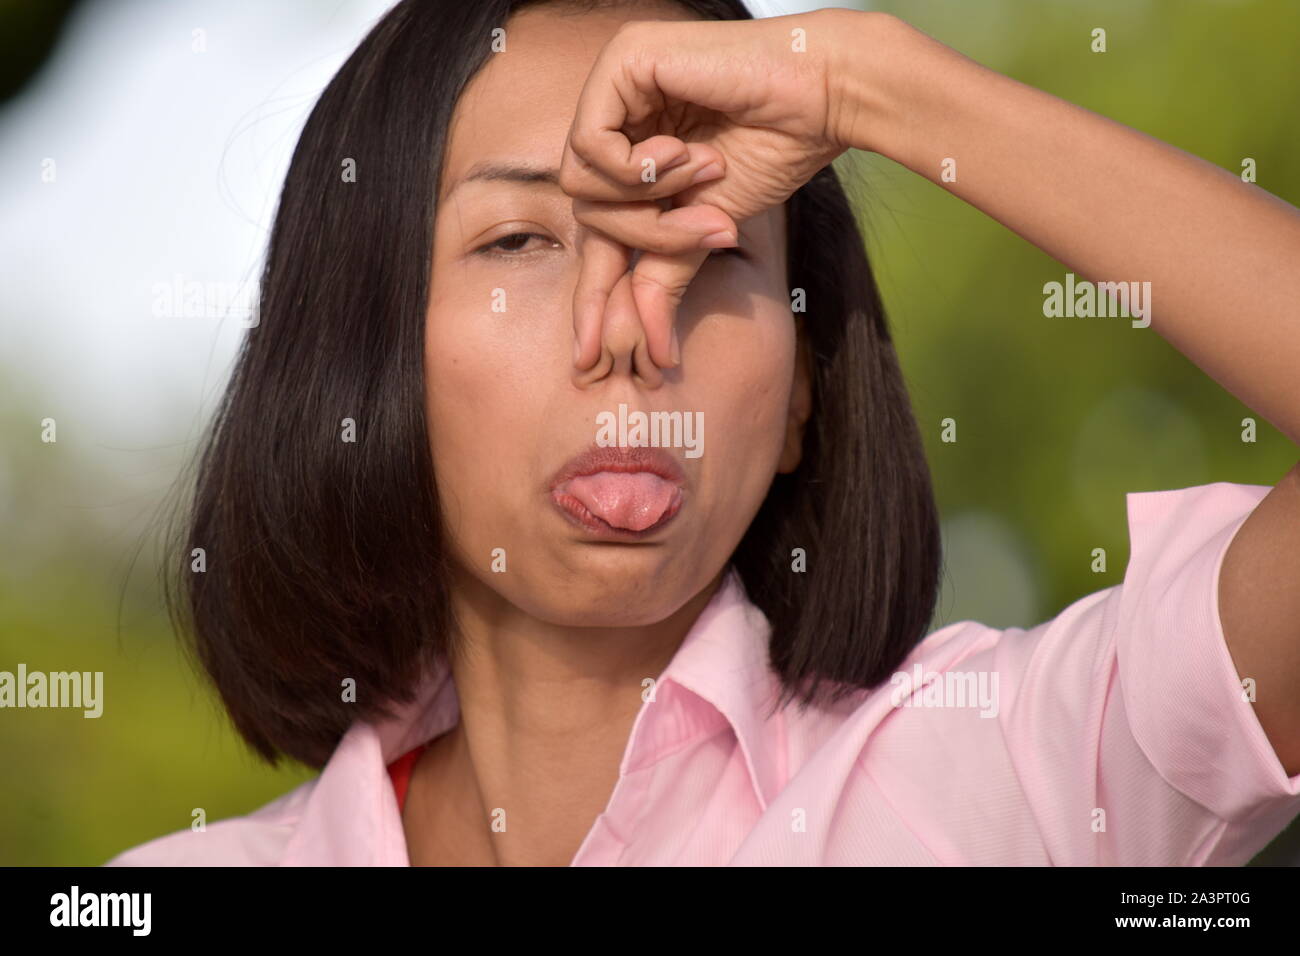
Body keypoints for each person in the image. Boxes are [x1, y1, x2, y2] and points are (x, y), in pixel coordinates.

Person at [106, 0, 1300, 866]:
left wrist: (872, 86)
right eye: (521, 241)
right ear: (363, 356)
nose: (630, 337)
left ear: (799, 396)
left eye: (711, 251)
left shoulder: (1019, 776)